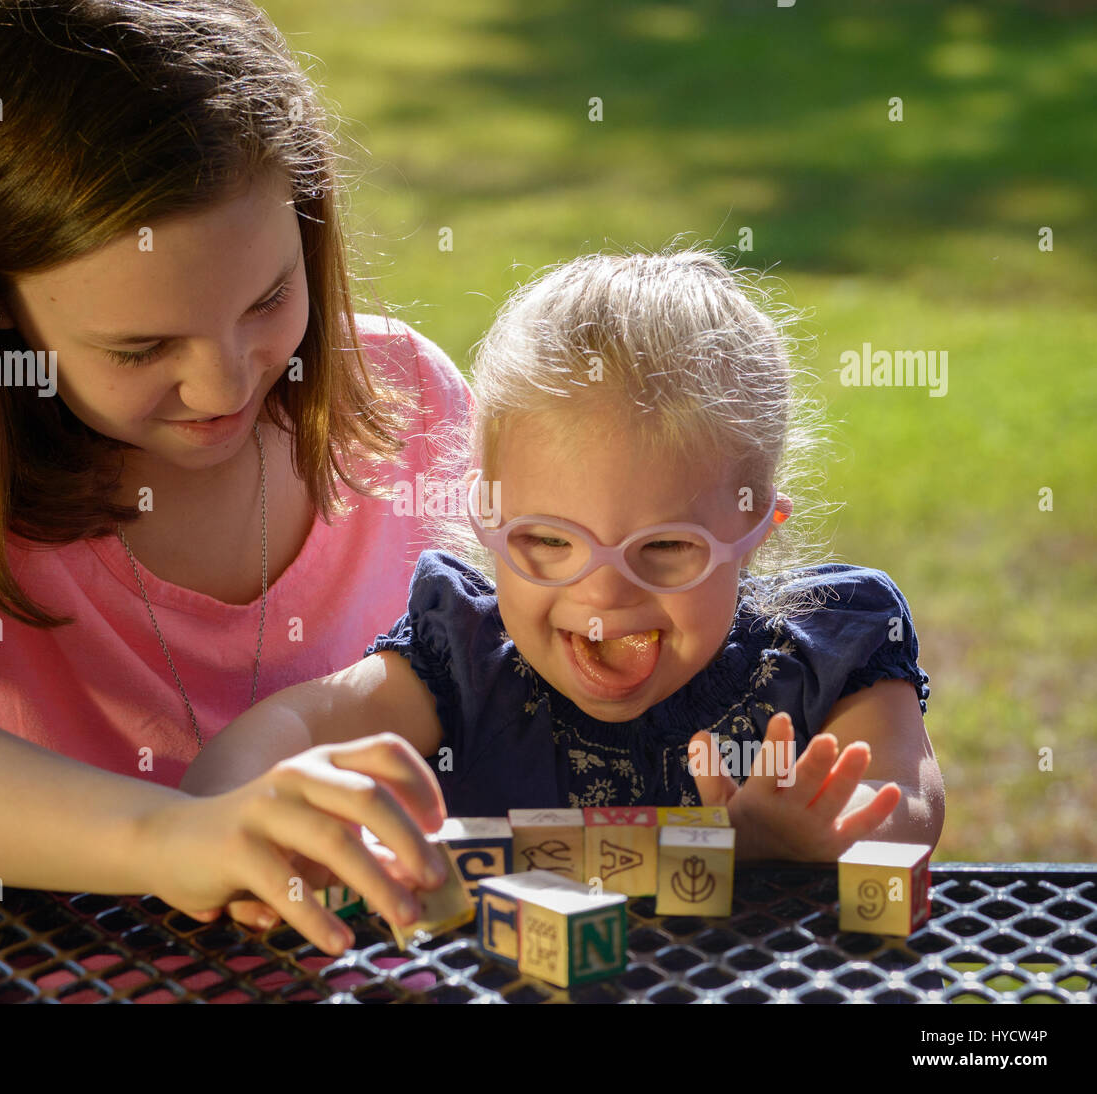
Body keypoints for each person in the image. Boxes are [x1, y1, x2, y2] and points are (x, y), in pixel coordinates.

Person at [0, 0, 473, 957]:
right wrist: (178, 838)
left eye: (269, 297)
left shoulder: (404, 400)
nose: (227, 379)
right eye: (143, 346)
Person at [182, 248, 946, 863]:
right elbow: (291, 729)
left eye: (667, 548)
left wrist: (810, 831)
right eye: (547, 541)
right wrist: (238, 822)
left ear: (757, 532)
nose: (604, 595)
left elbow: (906, 803)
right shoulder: (465, 668)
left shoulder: (825, 654)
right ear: (487, 514)